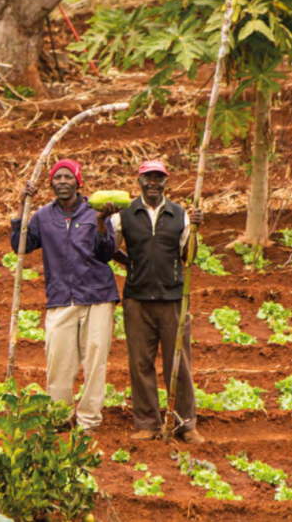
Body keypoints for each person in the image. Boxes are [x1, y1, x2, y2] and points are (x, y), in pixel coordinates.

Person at [10, 159, 118, 432]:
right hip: (61, 296)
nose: (62, 182)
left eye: (68, 177)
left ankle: (89, 419)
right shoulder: (43, 217)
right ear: (51, 183)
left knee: (95, 359)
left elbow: (106, 254)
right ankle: (60, 417)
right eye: (57, 178)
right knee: (58, 360)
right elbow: (20, 245)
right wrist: (22, 206)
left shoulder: (95, 211)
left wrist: (101, 223)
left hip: (97, 295)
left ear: (78, 182)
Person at [108, 159, 204, 444]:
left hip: (172, 298)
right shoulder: (124, 214)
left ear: (165, 182)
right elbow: (109, 247)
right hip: (137, 299)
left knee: (179, 363)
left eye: (158, 178)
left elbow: (189, 256)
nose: (153, 183)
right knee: (140, 363)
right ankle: (147, 423)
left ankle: (185, 424)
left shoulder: (179, 215)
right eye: (148, 178)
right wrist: (129, 263)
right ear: (139, 181)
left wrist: (196, 229)